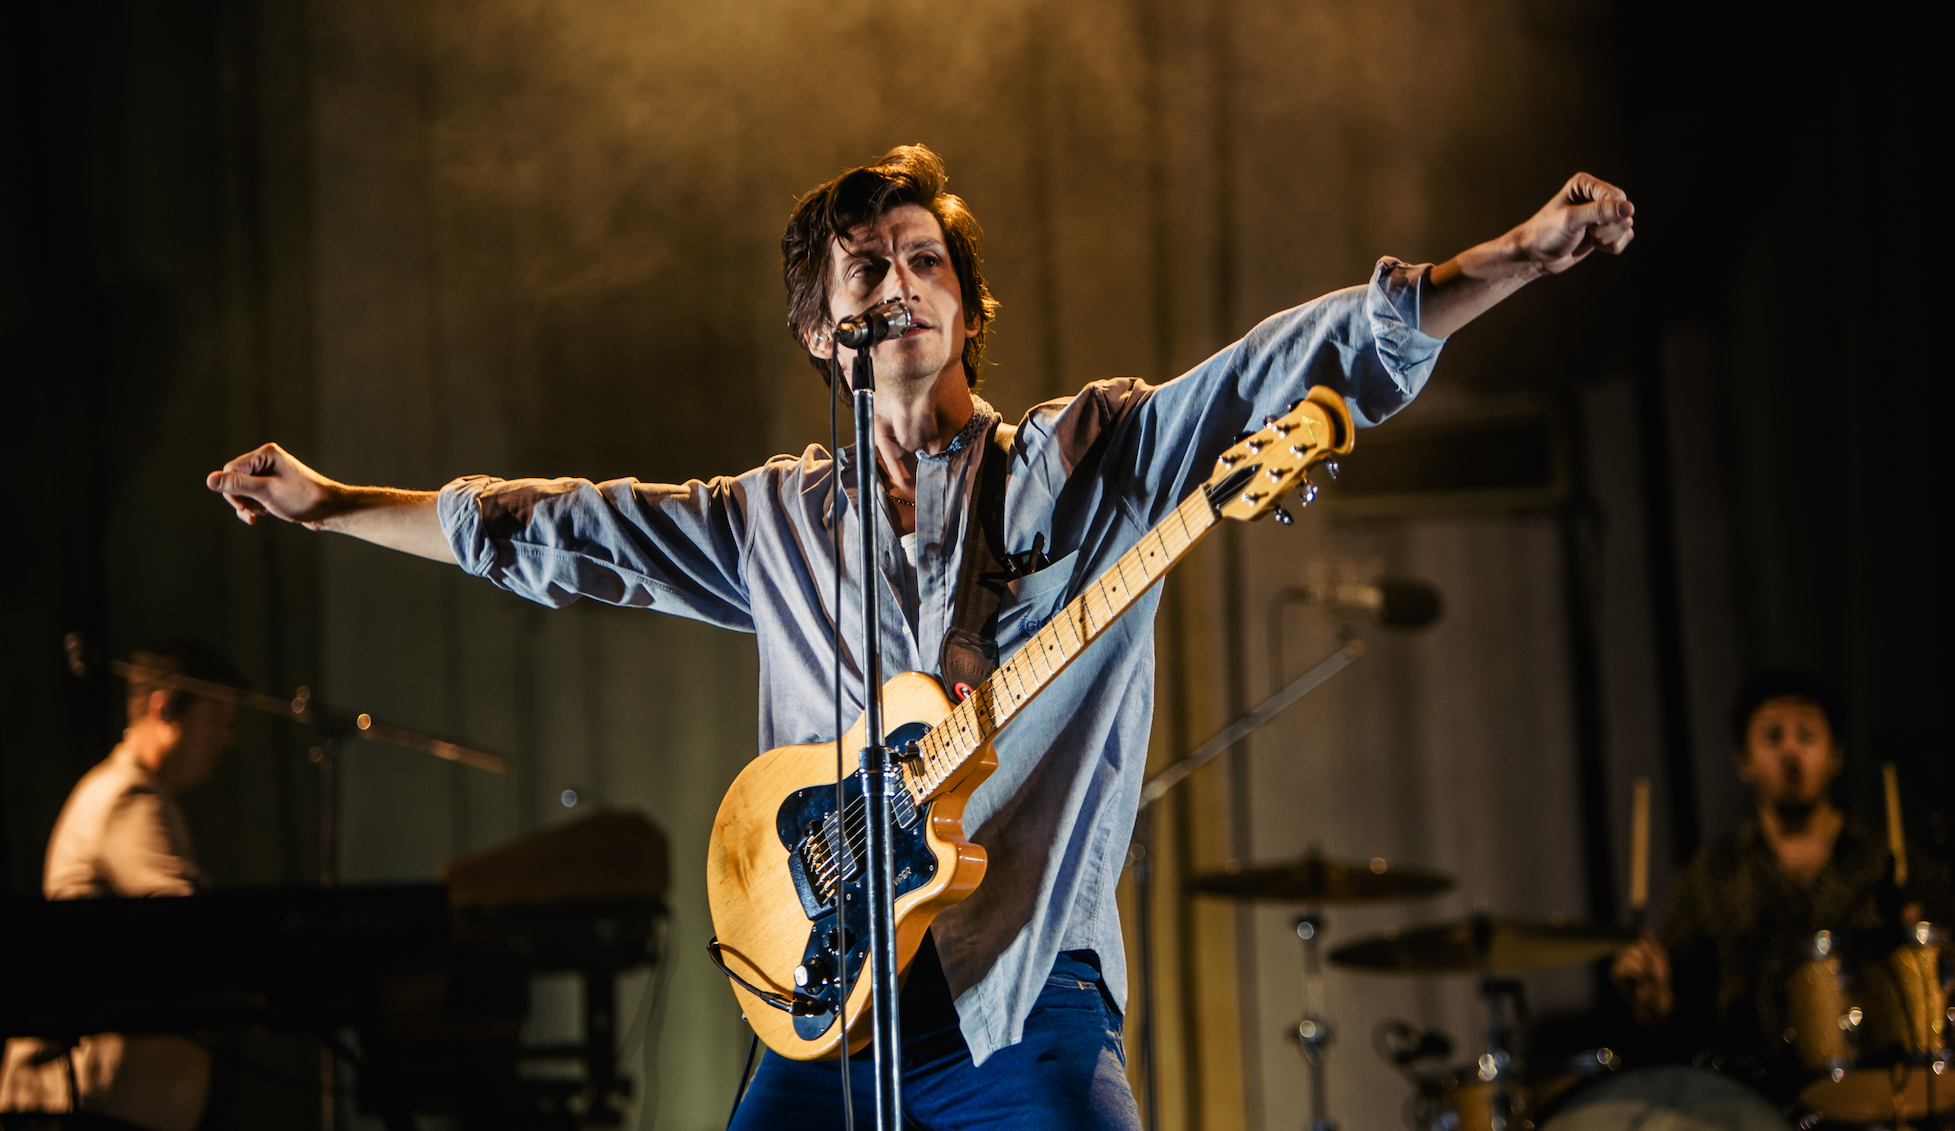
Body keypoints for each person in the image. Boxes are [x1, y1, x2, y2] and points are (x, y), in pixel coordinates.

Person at [207, 145, 1633, 1128]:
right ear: (819, 325)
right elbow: (558, 529)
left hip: (1023, 994)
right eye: (863, 264)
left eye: (922, 256)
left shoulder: (1084, 458)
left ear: (962, 301)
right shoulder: (770, 518)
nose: (897, 276)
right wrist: (334, 505)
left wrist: (1511, 258)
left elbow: (1288, 363)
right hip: (823, 1011)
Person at [1609, 670, 1954, 1097]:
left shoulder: (1890, 862)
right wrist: (1658, 1005)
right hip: (1746, 1097)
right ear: (1743, 760)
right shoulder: (1709, 875)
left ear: (1836, 755)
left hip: (1876, 1092)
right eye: (1772, 737)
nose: (1790, 750)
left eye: (1806, 735)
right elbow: (1681, 1012)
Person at [0, 640, 241, 1131]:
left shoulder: (124, 792)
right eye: (218, 719)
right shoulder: (128, 796)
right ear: (164, 708)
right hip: (89, 1103)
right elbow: (190, 926)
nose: (226, 739)